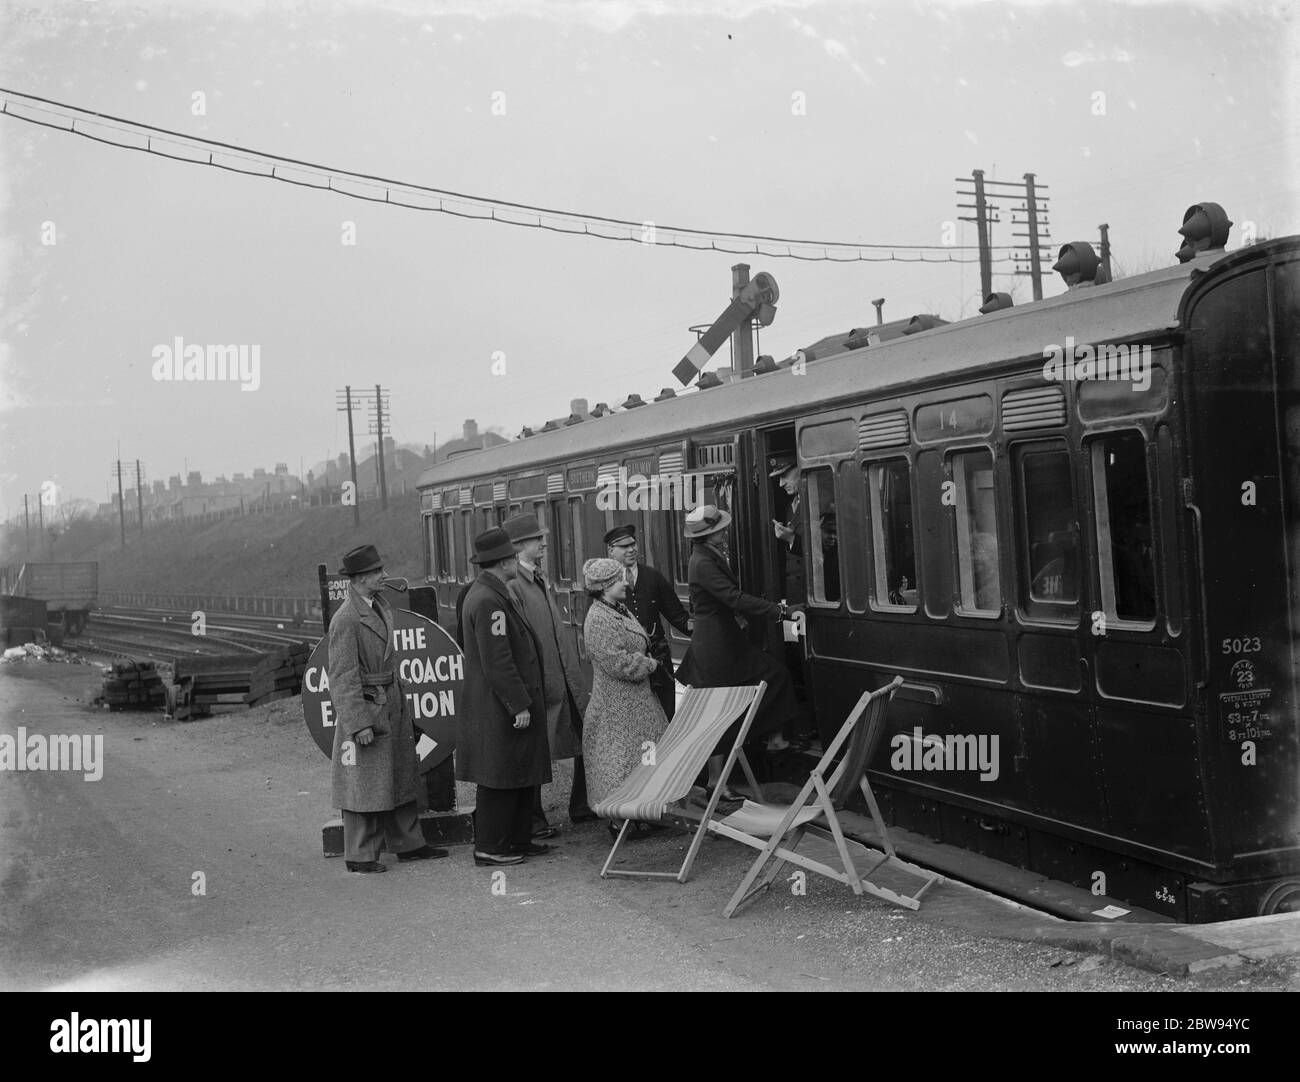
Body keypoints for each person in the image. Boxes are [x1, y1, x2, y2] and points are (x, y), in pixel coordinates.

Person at [328, 544, 448, 873]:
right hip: (369, 710)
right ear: (361, 578)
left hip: (390, 703)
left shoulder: (376, 606)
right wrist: (358, 724)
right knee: (364, 784)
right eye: (378, 571)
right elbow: (341, 678)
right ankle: (360, 855)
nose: (384, 575)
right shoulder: (346, 619)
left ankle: (409, 843)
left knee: (400, 774)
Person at [676, 505, 800, 791]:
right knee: (723, 710)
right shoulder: (703, 562)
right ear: (708, 535)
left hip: (723, 641)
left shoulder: (707, 555)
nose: (724, 530)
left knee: (771, 678)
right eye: (719, 529)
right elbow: (734, 598)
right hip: (717, 646)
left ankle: (771, 740)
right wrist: (778, 611)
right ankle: (717, 779)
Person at [456, 527, 552, 866]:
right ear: (502, 562)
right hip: (500, 706)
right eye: (511, 556)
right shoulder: (488, 600)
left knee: (517, 771)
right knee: (499, 776)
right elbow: (497, 661)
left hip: (505, 704)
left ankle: (515, 839)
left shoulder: (494, 593)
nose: (516, 560)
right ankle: (491, 847)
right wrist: (518, 703)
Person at [502, 512, 596, 836]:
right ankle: (533, 820)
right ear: (517, 547)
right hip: (543, 680)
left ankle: (583, 805)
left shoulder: (539, 578)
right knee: (536, 751)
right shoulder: (515, 585)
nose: (544, 542)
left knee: (585, 732)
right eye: (535, 539)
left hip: (562, 674)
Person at [579, 557, 669, 837]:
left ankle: (642, 811)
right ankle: (619, 820)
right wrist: (651, 664)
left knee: (640, 758)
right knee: (617, 764)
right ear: (605, 586)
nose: (626, 582)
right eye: (619, 580)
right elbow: (617, 663)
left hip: (634, 703)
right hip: (616, 707)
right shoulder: (599, 618)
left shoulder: (616, 608)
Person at [604, 523, 692, 720]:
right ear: (611, 550)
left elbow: (678, 617)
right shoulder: (605, 583)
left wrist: (707, 631)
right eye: (624, 546)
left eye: (633, 545)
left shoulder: (653, 577)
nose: (631, 550)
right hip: (626, 665)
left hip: (658, 661)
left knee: (665, 714)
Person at [769, 456, 806, 605]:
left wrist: (791, 539)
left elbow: (827, 546)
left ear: (801, 469)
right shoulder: (791, 503)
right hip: (795, 594)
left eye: (784, 476)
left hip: (815, 596)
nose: (781, 483)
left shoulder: (823, 500)